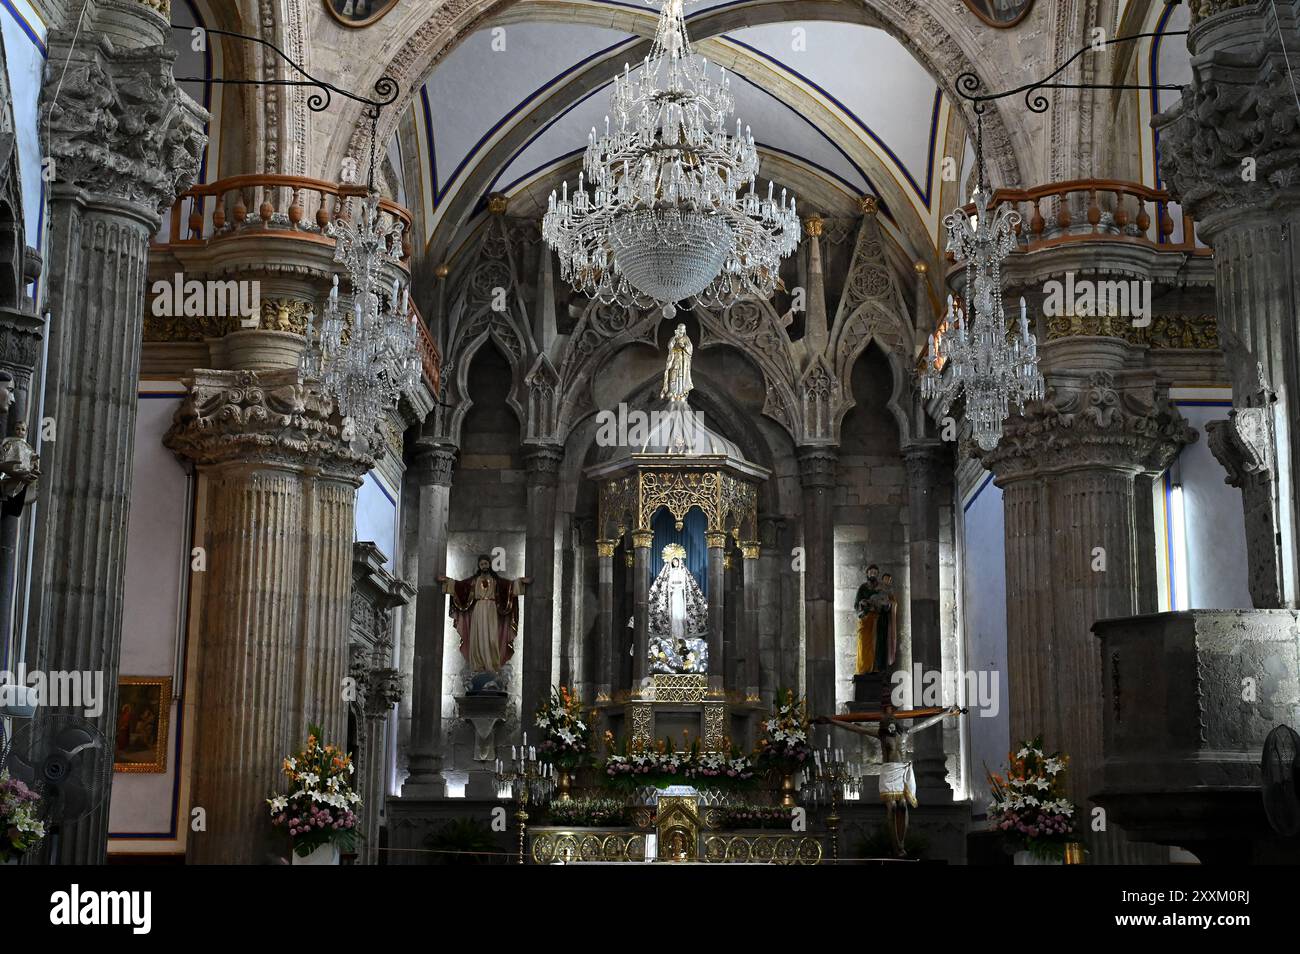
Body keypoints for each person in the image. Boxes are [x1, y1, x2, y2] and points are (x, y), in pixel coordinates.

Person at [817, 704, 965, 858]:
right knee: (892, 807)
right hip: (888, 772)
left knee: (902, 806)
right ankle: (896, 846)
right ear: (884, 724)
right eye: (888, 721)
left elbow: (926, 723)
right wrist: (831, 720)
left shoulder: (905, 733)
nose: (891, 723)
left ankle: (901, 843)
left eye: (893, 720)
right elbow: (856, 729)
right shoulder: (881, 736)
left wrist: (946, 714)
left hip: (901, 771)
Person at [438, 555, 532, 674]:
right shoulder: (473, 581)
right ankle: (478, 665)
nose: (484, 566)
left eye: (486, 564)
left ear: (490, 565)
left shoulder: (496, 581)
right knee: (477, 636)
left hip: (492, 609)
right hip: (478, 609)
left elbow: (509, 586)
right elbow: (460, 586)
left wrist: (520, 582)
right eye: (482, 564)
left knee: (493, 637)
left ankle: (492, 665)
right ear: (479, 566)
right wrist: (447, 581)